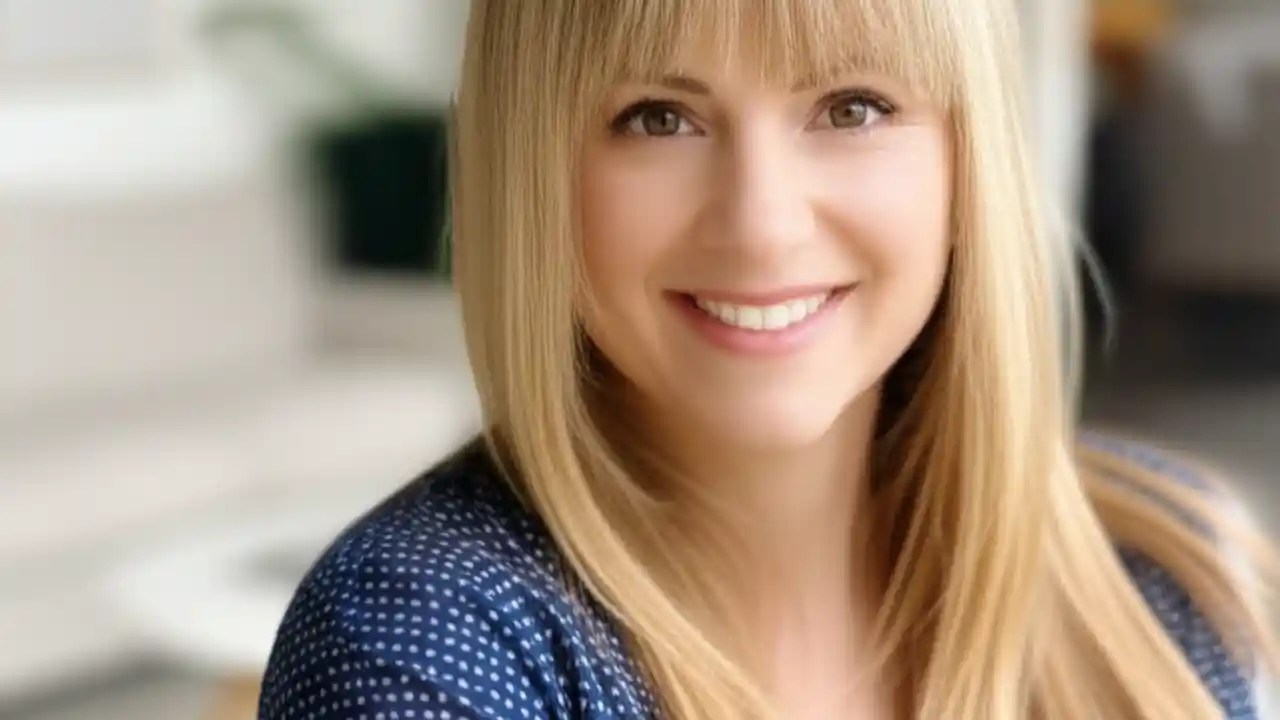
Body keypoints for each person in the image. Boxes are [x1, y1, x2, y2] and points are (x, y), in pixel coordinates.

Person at [257, 1, 1276, 718]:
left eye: (852, 107)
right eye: (657, 117)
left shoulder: (1164, 578)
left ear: (965, 165)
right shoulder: (421, 646)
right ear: (536, 172)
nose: (760, 225)